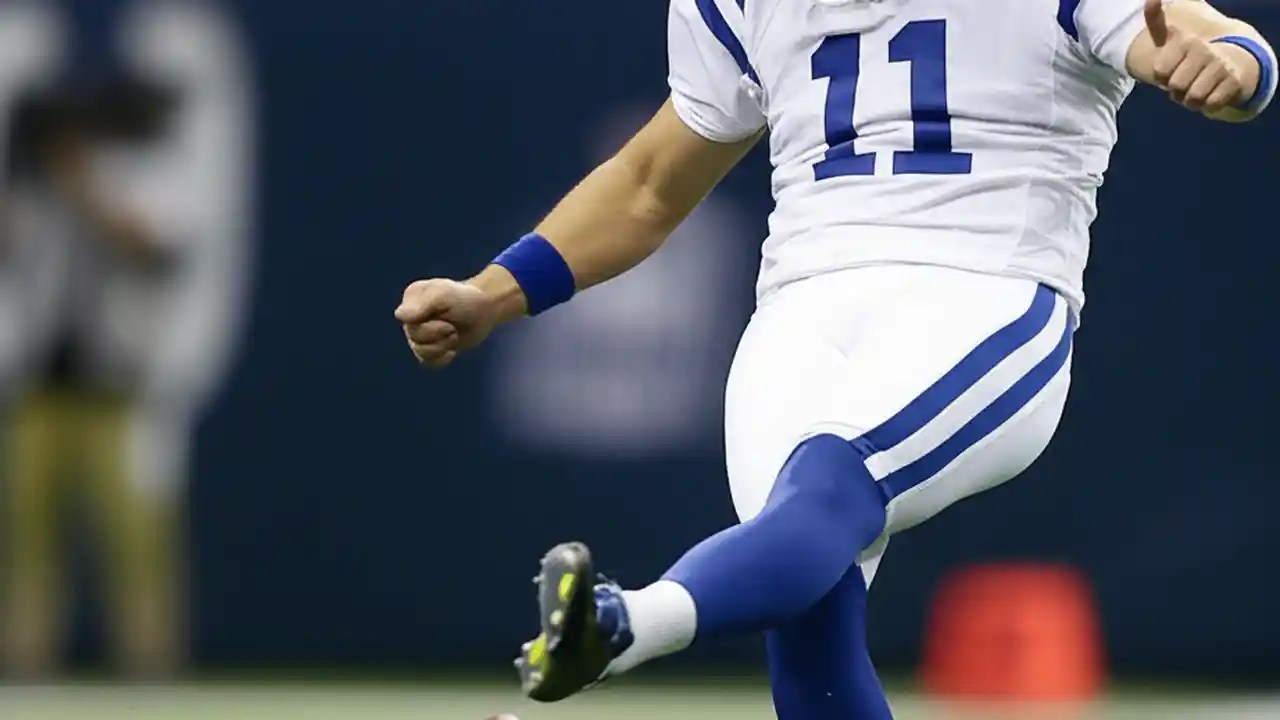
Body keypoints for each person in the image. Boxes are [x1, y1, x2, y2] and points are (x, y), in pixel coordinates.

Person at [394, 0, 1275, 716]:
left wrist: (1236, 66)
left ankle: (627, 623)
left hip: (980, 291)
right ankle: (619, 626)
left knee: (828, 487)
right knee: (811, 639)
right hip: (798, 315)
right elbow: (650, 181)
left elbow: (1205, 39)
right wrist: (496, 291)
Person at [0, 0, 254, 678]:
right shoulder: (27, 144)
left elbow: (160, 241)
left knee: (136, 546)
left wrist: (81, 177)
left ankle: (152, 683)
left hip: (128, 374)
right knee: (26, 544)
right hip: (38, 368)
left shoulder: (162, 131)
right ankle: (24, 683)